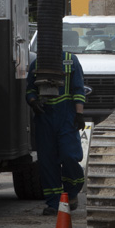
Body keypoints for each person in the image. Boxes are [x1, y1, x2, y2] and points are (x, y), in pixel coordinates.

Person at [27, 50, 88, 215]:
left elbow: (78, 89)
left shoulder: (71, 61)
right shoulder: (36, 65)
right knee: (47, 162)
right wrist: (33, 102)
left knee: (69, 155)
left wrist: (79, 114)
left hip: (66, 117)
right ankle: (54, 203)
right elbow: (30, 90)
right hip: (44, 118)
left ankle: (71, 191)